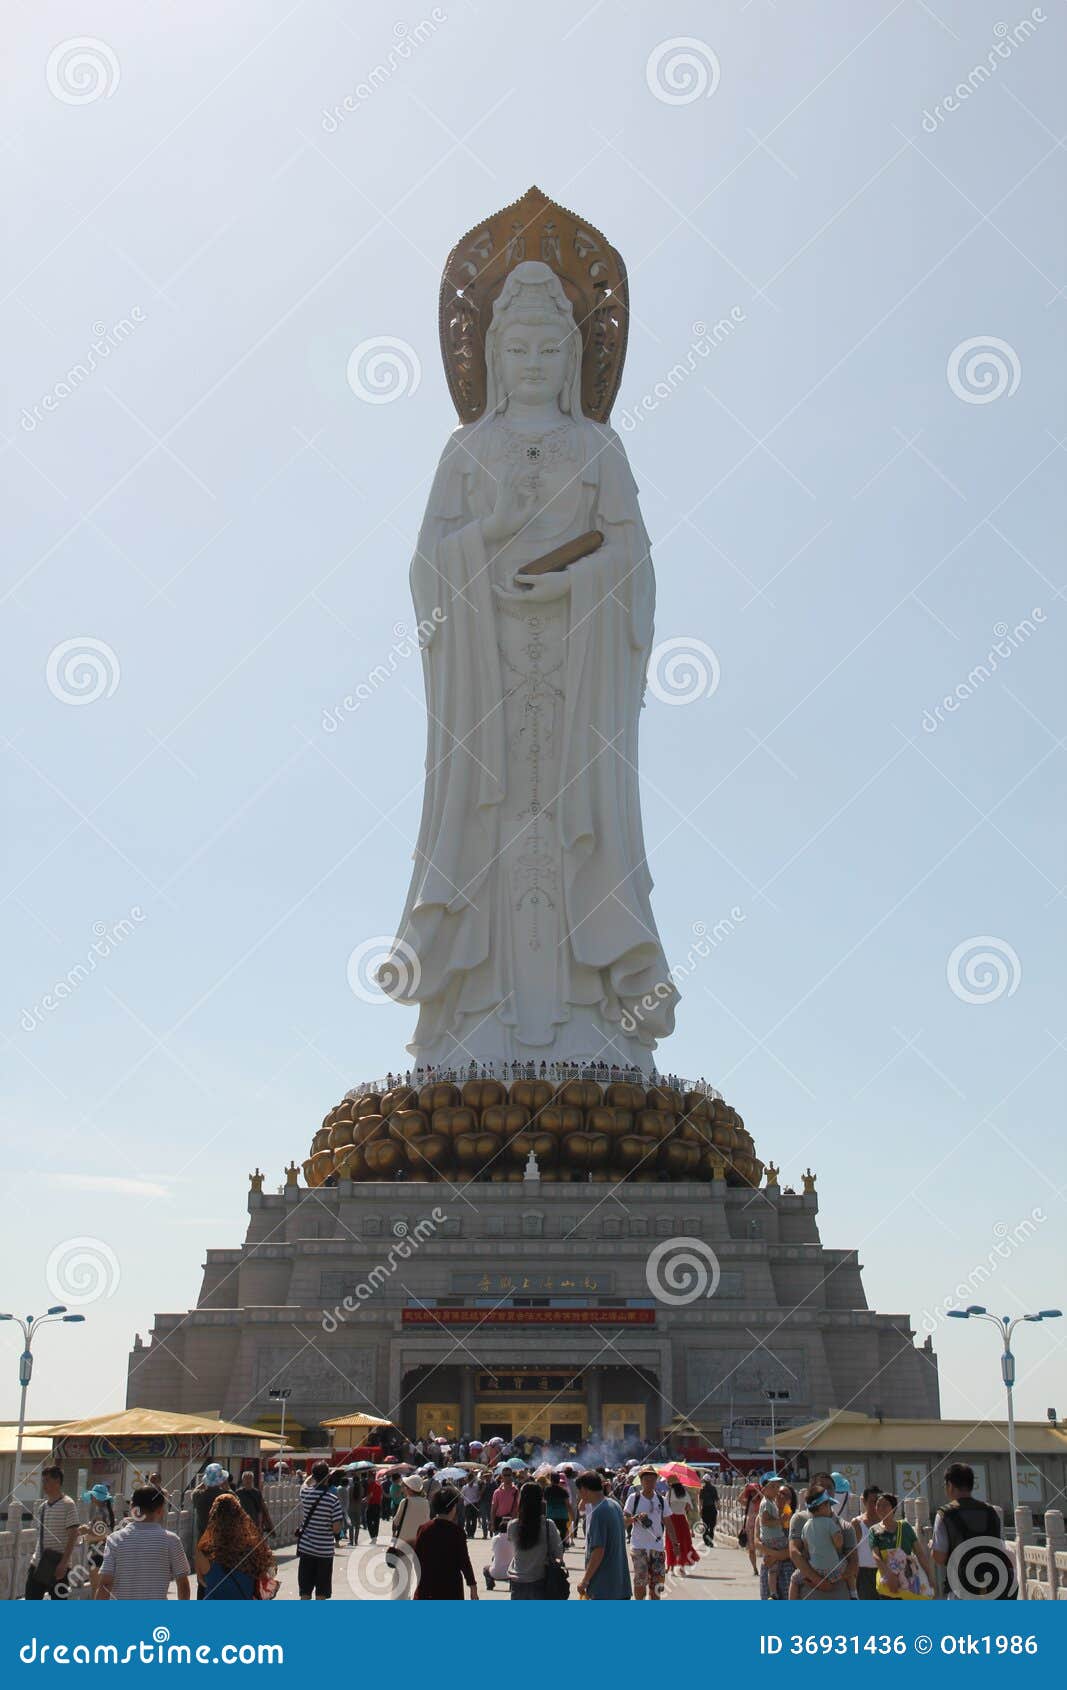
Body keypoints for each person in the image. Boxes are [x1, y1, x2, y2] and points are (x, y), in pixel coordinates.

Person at [930, 1461, 1015, 1599]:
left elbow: (939, 1557)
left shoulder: (945, 1514)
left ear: (950, 1485)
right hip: (994, 1587)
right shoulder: (991, 1511)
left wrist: (932, 1547)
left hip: (961, 1587)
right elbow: (1000, 1547)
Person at [95, 1485, 191, 1600]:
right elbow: (183, 1584)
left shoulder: (114, 1539)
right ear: (160, 1510)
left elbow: (105, 1584)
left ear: (132, 1507)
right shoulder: (171, 1540)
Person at [788, 1472, 858, 1600]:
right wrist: (818, 1580)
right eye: (821, 1486)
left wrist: (832, 1580)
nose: (826, 1490)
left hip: (839, 1594)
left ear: (835, 1491)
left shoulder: (845, 1527)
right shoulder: (799, 1519)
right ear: (811, 1491)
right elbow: (794, 1552)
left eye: (830, 1487)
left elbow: (853, 1563)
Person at [195, 1492, 276, 1599]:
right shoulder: (252, 1550)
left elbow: (202, 1581)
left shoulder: (204, 1551)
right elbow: (266, 1578)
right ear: (240, 1516)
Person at [413, 1485, 479, 1600]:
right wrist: (473, 1588)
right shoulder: (457, 1532)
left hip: (426, 1588)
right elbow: (465, 1562)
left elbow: (416, 1559)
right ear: (453, 1507)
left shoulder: (423, 1529)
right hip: (451, 1589)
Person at [25, 1465, 80, 1600]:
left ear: (57, 1481)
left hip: (58, 1564)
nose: (44, 1485)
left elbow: (73, 1535)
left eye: (47, 1481)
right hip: (38, 1562)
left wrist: (64, 1563)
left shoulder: (68, 1504)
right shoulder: (42, 1507)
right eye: (43, 1481)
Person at [575, 1470, 631, 1600]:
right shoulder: (614, 1505)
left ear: (584, 1489)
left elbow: (598, 1551)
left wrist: (585, 1580)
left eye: (579, 1490)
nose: (579, 1495)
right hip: (620, 1584)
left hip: (603, 1587)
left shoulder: (598, 1512)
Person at [869, 1492, 935, 1600]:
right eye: (878, 1505)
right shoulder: (874, 1530)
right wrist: (889, 1576)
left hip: (909, 1579)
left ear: (893, 1508)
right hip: (888, 1582)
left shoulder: (904, 1526)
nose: (880, 1508)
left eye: (885, 1505)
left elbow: (920, 1554)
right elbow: (876, 1556)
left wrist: (929, 1575)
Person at [295, 1460, 345, 1601]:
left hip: (306, 1549)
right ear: (328, 1476)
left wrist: (311, 1476)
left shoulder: (305, 1494)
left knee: (305, 1591)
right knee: (321, 1593)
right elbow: (336, 1528)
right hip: (324, 1552)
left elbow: (305, 1484)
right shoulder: (333, 1500)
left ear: (314, 1475)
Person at [507, 1481, 563, 1600]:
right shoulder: (549, 1525)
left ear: (520, 1501)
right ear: (541, 1500)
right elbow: (559, 1554)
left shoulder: (512, 1526)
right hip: (540, 1581)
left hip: (517, 1582)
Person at [623, 1465, 666, 1600]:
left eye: (652, 1479)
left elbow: (669, 1522)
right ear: (641, 1481)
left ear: (656, 1481)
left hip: (657, 1547)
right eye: (646, 1479)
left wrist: (675, 1544)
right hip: (639, 1546)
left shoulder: (661, 1500)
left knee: (658, 1583)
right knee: (640, 1581)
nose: (650, 1482)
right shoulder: (633, 1498)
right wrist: (635, 1518)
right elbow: (624, 1521)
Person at [755, 1473, 791, 1600]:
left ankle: (773, 1592)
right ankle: (773, 1592)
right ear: (764, 1489)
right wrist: (781, 1521)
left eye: (784, 1494)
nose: (778, 1492)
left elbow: (792, 1551)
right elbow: (765, 1522)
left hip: (785, 1568)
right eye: (774, 1487)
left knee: (773, 1568)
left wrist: (774, 1556)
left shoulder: (794, 1516)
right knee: (772, 1567)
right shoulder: (766, 1504)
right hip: (774, 1540)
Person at [849, 1485, 883, 1600]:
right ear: (864, 1501)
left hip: (884, 1571)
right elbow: (852, 1551)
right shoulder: (857, 1523)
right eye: (872, 1502)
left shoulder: (886, 1523)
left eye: (878, 1502)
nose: (875, 1506)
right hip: (864, 1573)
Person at [664, 1479, 700, 1576]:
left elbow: (665, 1507)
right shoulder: (685, 1493)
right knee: (683, 1543)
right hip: (682, 1520)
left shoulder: (670, 1493)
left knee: (671, 1542)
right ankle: (682, 1566)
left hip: (671, 1519)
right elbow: (688, 1507)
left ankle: (670, 1566)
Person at [390, 1473, 430, 1556]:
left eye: (406, 1487)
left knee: (403, 1566)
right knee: (418, 1566)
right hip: (419, 1540)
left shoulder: (405, 1502)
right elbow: (427, 1521)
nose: (404, 1489)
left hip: (404, 1541)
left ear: (410, 1490)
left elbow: (396, 1521)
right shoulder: (426, 1503)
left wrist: (393, 1536)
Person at [235, 1469, 274, 1538]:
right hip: (241, 1523)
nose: (248, 1481)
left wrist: (259, 1524)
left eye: (250, 1478)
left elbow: (260, 1510)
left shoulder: (257, 1493)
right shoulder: (238, 1493)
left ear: (252, 1480)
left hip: (253, 1521)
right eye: (246, 1479)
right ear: (243, 1480)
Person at [544, 1472, 573, 1546]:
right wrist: (573, 1516)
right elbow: (568, 1505)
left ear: (551, 1479)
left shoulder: (547, 1490)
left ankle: (551, 1553)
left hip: (550, 1516)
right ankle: (561, 1552)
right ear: (558, 1479)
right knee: (561, 1538)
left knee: (550, 1538)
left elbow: (544, 1502)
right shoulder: (563, 1491)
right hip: (562, 1516)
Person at [739, 1477, 761, 1576]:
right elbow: (739, 1499)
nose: (753, 1494)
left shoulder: (762, 1503)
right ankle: (755, 1568)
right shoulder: (748, 1503)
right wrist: (745, 1489)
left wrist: (759, 1491)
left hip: (761, 1527)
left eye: (754, 1492)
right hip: (750, 1527)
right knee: (751, 1550)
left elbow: (765, 1498)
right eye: (751, 1492)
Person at [699, 1474, 719, 1546]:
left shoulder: (702, 1489)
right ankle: (710, 1541)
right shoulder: (713, 1488)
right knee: (712, 1526)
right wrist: (718, 1507)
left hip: (705, 1508)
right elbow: (716, 1499)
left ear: (704, 1481)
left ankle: (706, 1540)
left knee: (705, 1525)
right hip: (712, 1508)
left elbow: (701, 1500)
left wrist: (700, 1509)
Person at [363, 1470, 383, 1541]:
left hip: (372, 1506)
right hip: (377, 1506)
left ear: (371, 1478)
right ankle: (375, 1536)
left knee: (369, 1521)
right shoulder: (379, 1486)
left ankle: (373, 1536)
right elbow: (381, 1497)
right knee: (376, 1522)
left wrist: (364, 1500)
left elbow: (370, 1495)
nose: (367, 1479)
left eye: (368, 1478)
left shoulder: (371, 1485)